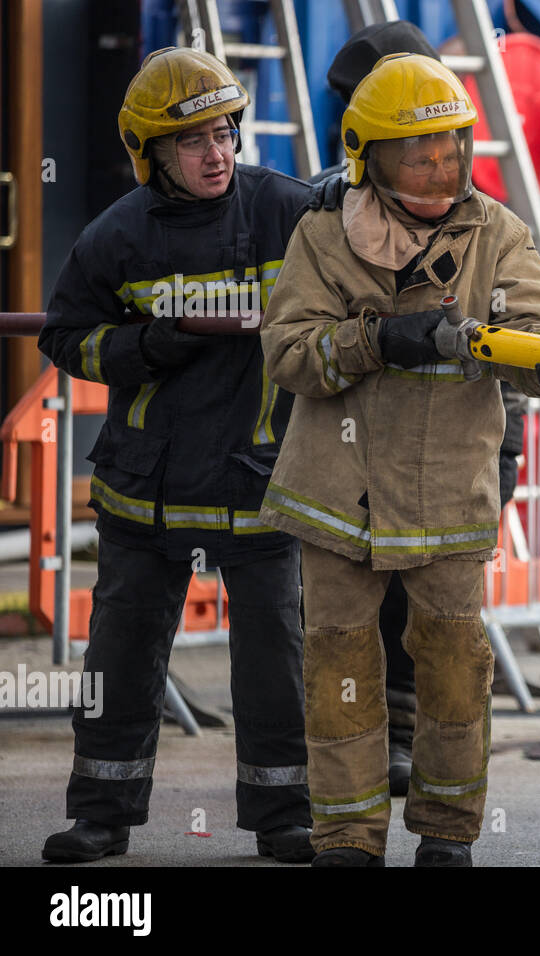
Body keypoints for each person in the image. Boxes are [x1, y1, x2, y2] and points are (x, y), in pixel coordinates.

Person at [258, 52, 540, 867]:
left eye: (451, 149)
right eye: (419, 155)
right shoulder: (322, 236)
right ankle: (346, 838)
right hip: (339, 497)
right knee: (338, 670)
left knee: (454, 670)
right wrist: (377, 339)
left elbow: (531, 330)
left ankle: (446, 834)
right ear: (369, 156)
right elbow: (290, 355)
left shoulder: (498, 235)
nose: (441, 169)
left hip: (447, 496)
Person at [38, 47, 314, 864]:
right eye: (193, 141)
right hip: (145, 493)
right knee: (120, 660)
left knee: (274, 663)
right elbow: (66, 336)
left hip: (258, 484)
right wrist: (140, 349)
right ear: (150, 154)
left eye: (224, 132)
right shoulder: (116, 236)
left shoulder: (289, 211)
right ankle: (100, 816)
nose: (216, 152)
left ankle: (283, 817)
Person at [309, 20, 531, 799]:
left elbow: (512, 338)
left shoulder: (481, 222)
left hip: (448, 453)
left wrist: (504, 454)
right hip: (354, 457)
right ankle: (355, 772)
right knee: (349, 616)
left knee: (436, 623)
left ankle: (416, 763)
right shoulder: (323, 215)